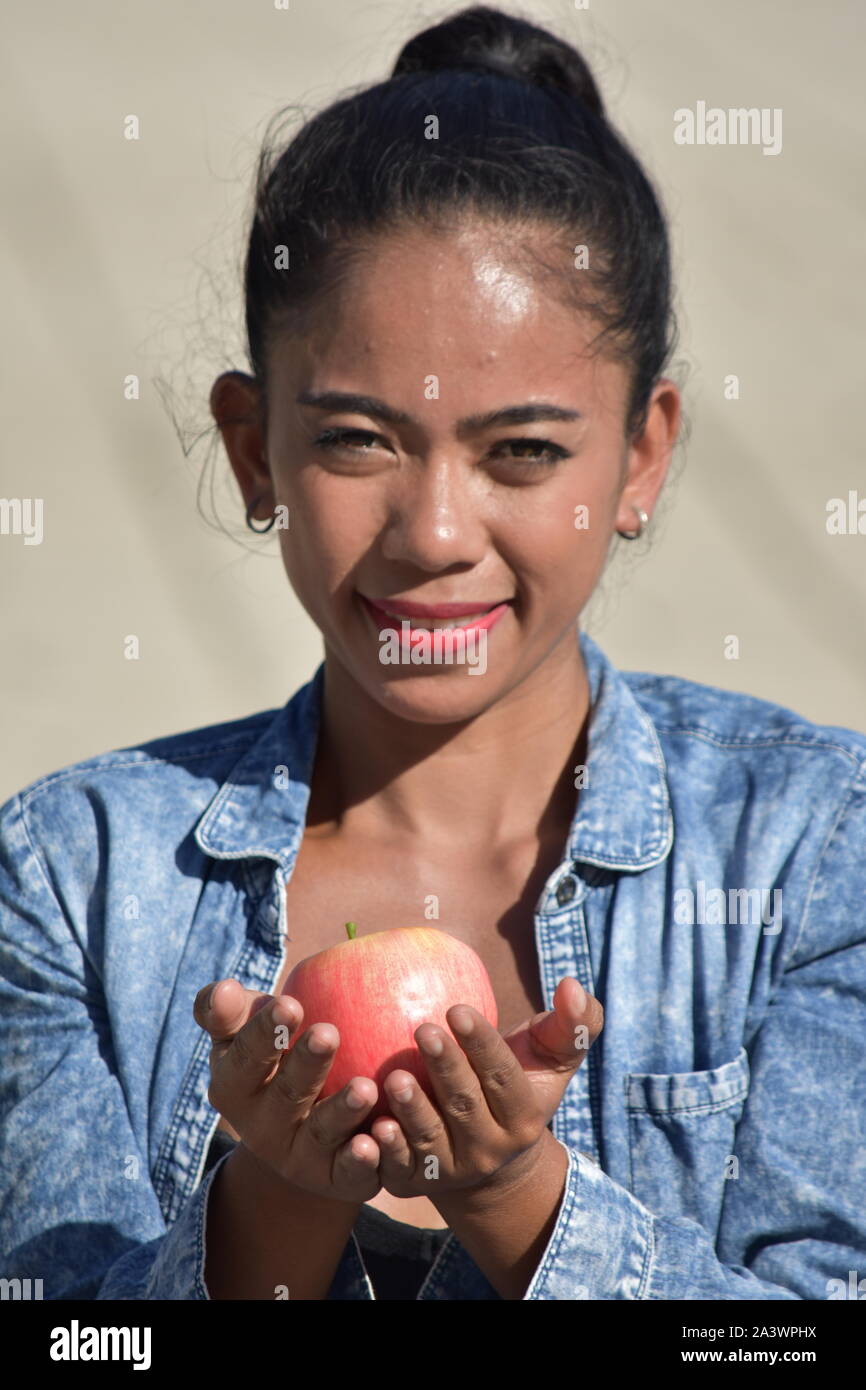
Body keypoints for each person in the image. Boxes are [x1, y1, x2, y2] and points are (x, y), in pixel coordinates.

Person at [1, 3, 865, 1303]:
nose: (435, 533)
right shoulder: (69, 882)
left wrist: (519, 1201)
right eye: (356, 439)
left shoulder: (813, 848)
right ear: (254, 452)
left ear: (639, 454)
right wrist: (274, 1205)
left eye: (521, 450)